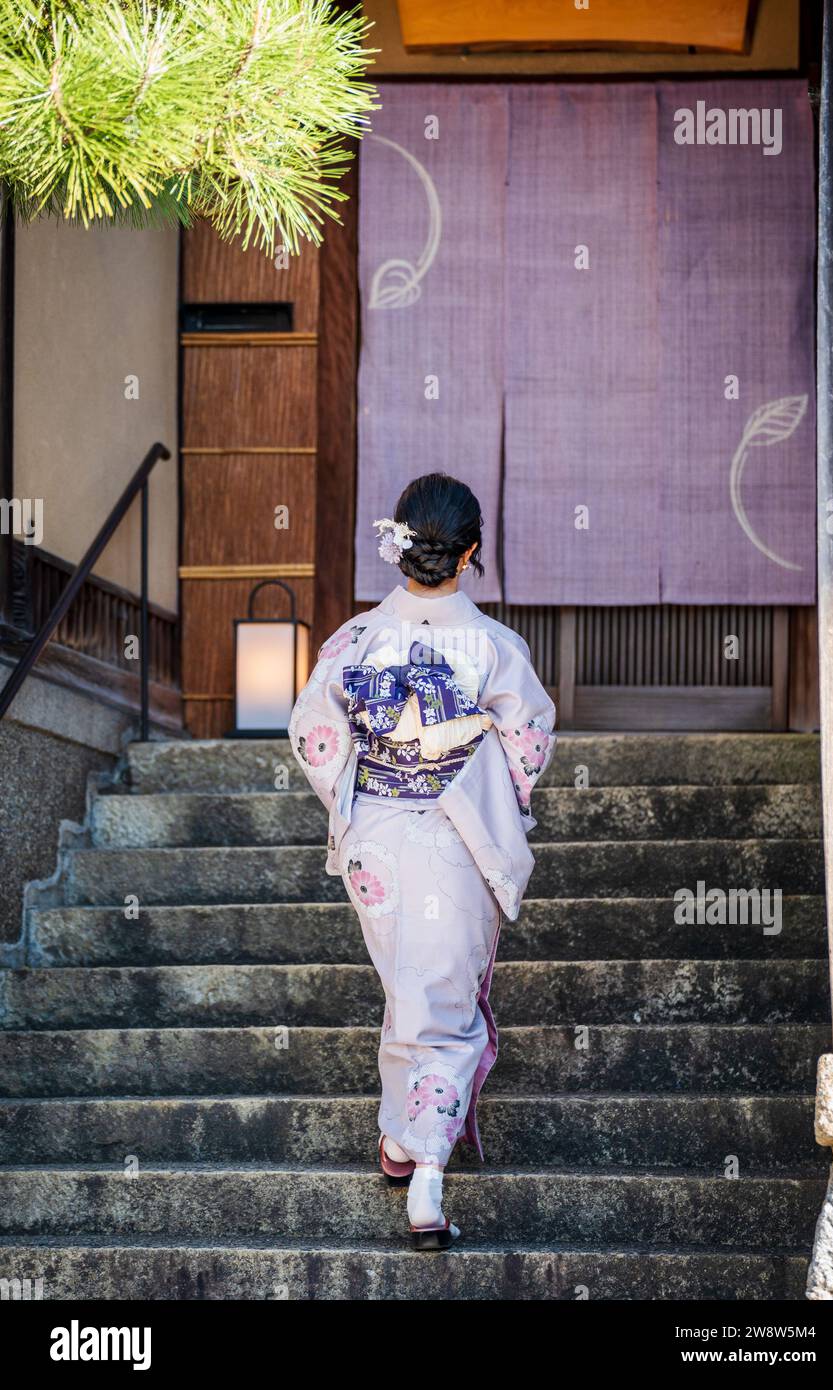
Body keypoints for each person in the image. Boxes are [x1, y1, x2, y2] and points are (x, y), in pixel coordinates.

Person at [289, 472, 556, 1249]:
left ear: (400, 544)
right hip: (458, 833)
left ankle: (402, 1139)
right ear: (471, 552)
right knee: (443, 1002)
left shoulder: (354, 641)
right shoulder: (498, 649)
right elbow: (527, 745)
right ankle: (429, 1173)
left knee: (412, 983)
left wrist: (360, 797)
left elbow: (314, 735)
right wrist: (479, 785)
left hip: (378, 838)